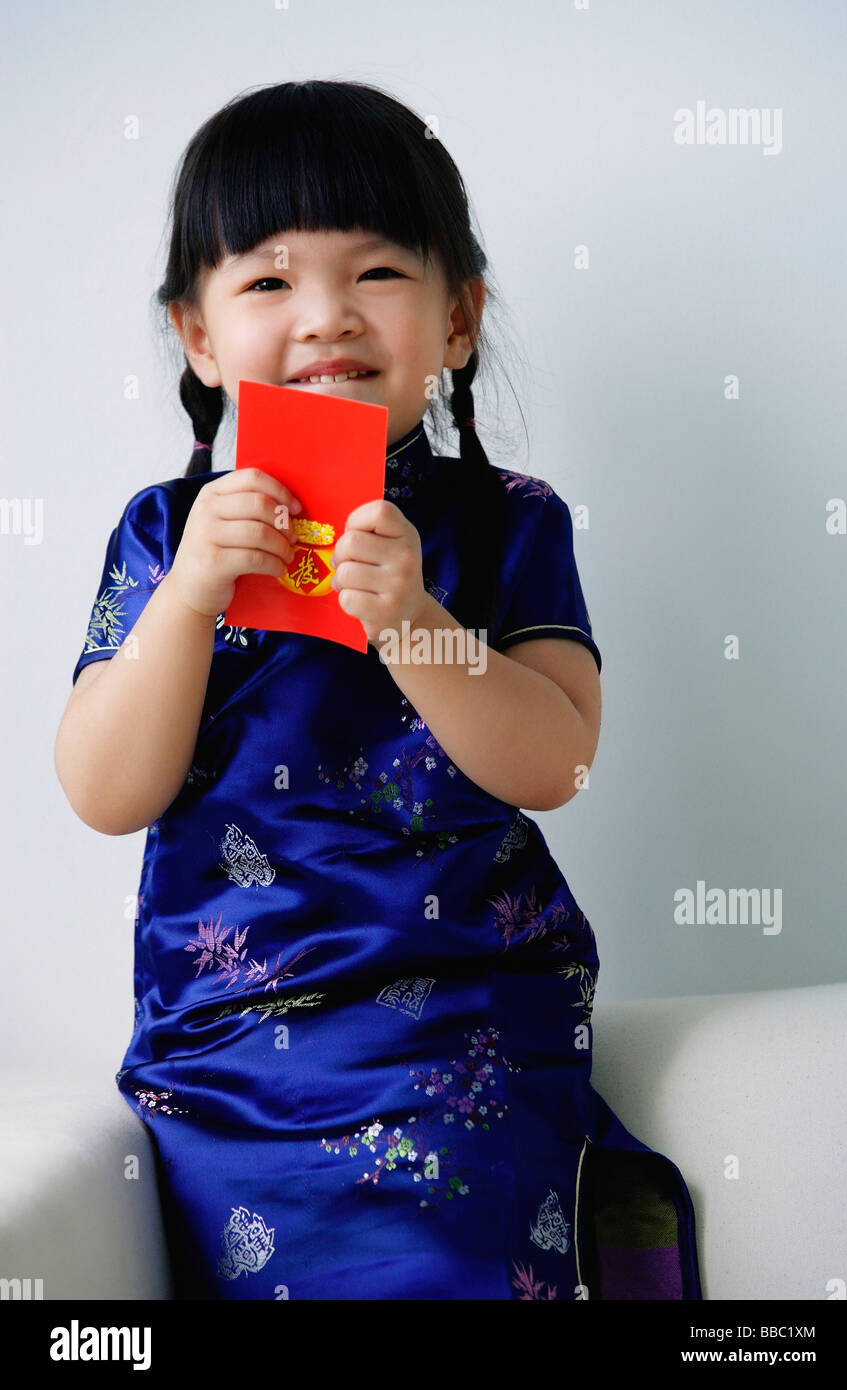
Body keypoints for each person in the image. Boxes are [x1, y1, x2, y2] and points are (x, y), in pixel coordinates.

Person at [54, 79, 701, 1301]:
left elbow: (554, 762)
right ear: (197, 336)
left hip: (462, 1026)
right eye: (268, 280)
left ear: (456, 320)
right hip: (229, 1047)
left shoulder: (505, 523)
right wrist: (190, 598)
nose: (326, 317)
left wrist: (413, 622)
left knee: (436, 1260)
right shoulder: (163, 532)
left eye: (377, 274)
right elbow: (102, 787)